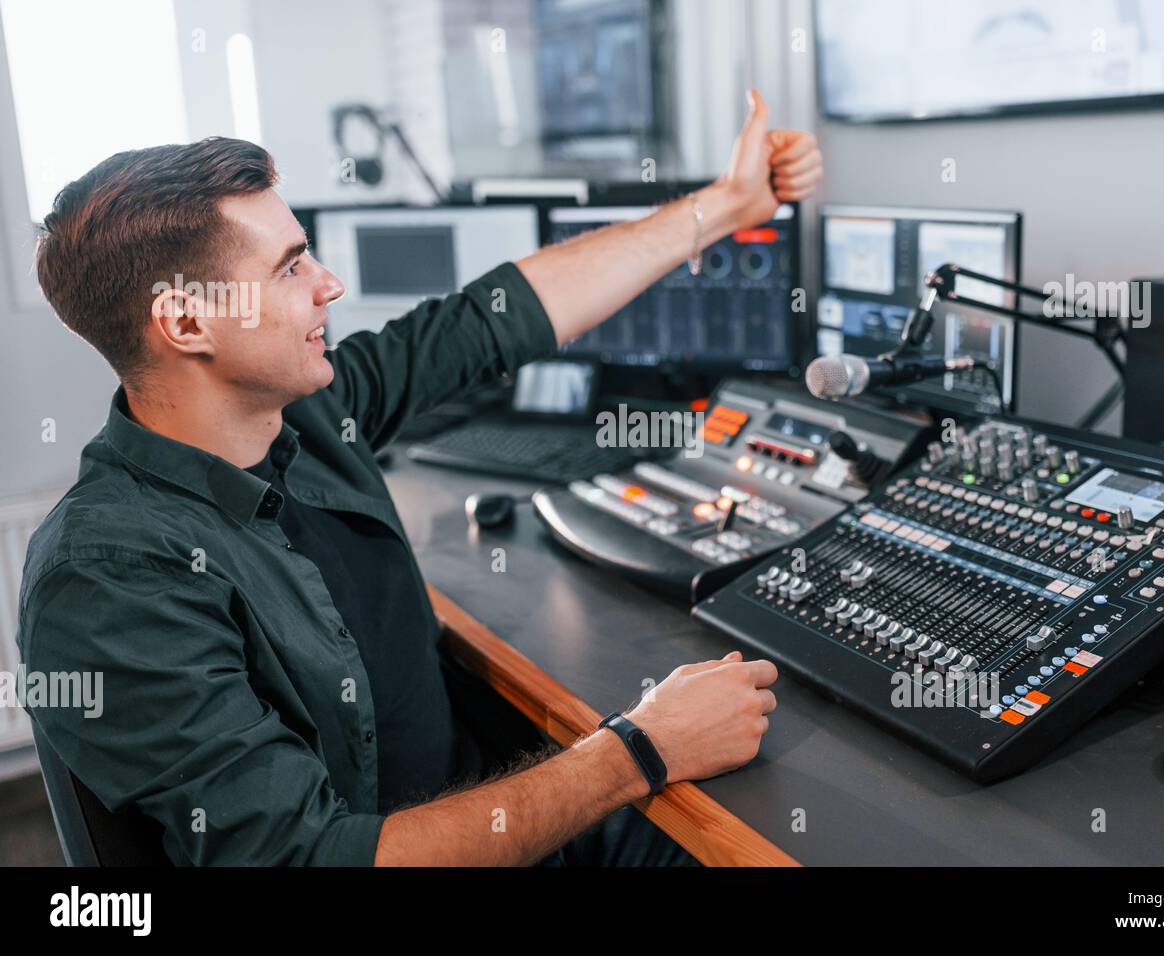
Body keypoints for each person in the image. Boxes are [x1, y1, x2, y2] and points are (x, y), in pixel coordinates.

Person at [18, 90, 823, 865]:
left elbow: (490, 320)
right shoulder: (110, 578)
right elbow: (314, 862)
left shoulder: (304, 414)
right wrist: (639, 748)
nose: (329, 285)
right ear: (187, 323)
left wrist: (726, 205)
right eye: (291, 268)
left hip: (491, 797)